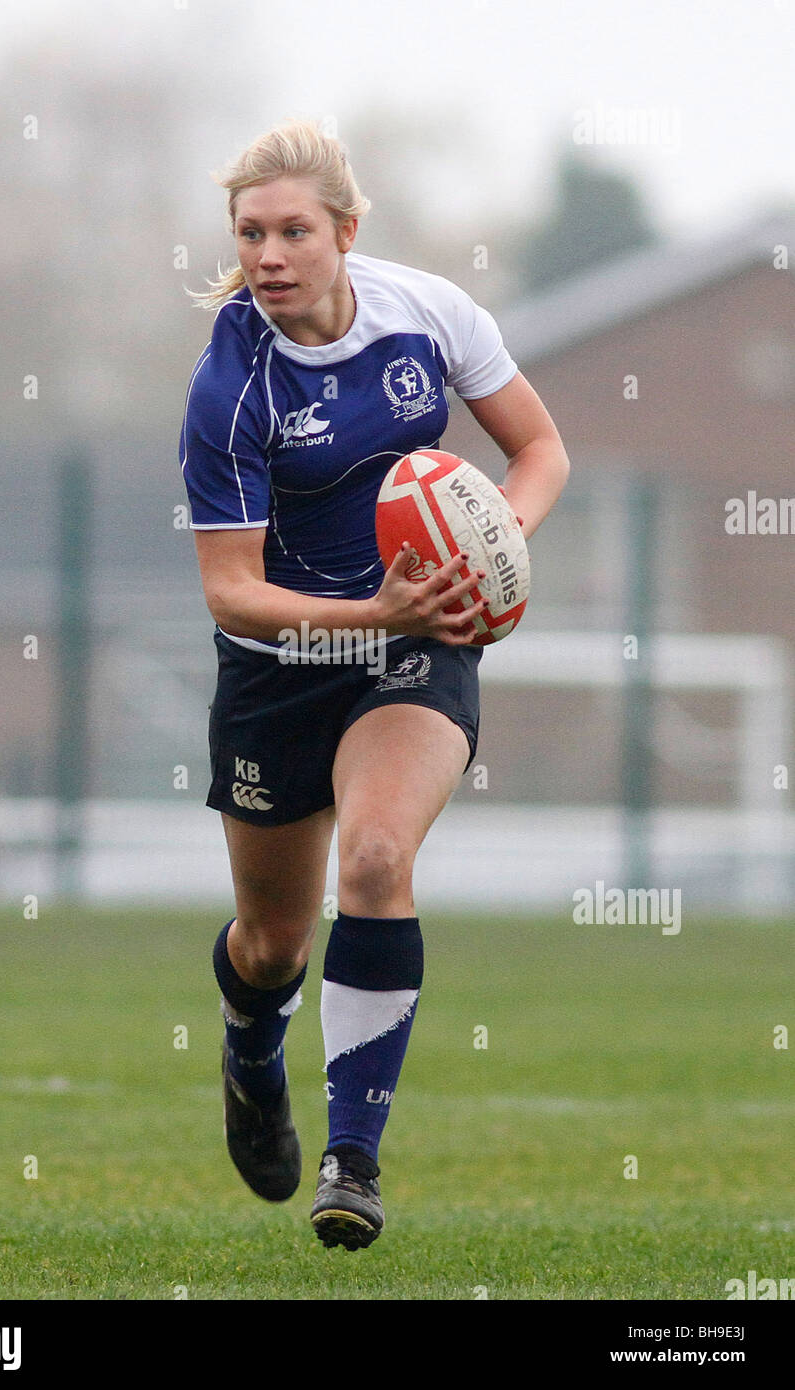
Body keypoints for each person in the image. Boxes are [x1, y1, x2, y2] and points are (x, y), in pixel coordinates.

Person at [180, 120, 569, 1250]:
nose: (269, 253)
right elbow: (231, 594)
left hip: (416, 642)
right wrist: (366, 613)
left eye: (294, 230)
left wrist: (485, 549)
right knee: (270, 941)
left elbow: (538, 451)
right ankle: (252, 1050)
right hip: (280, 662)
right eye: (250, 233)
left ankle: (352, 1159)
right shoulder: (229, 389)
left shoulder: (431, 313)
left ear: (347, 231)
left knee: (379, 857)